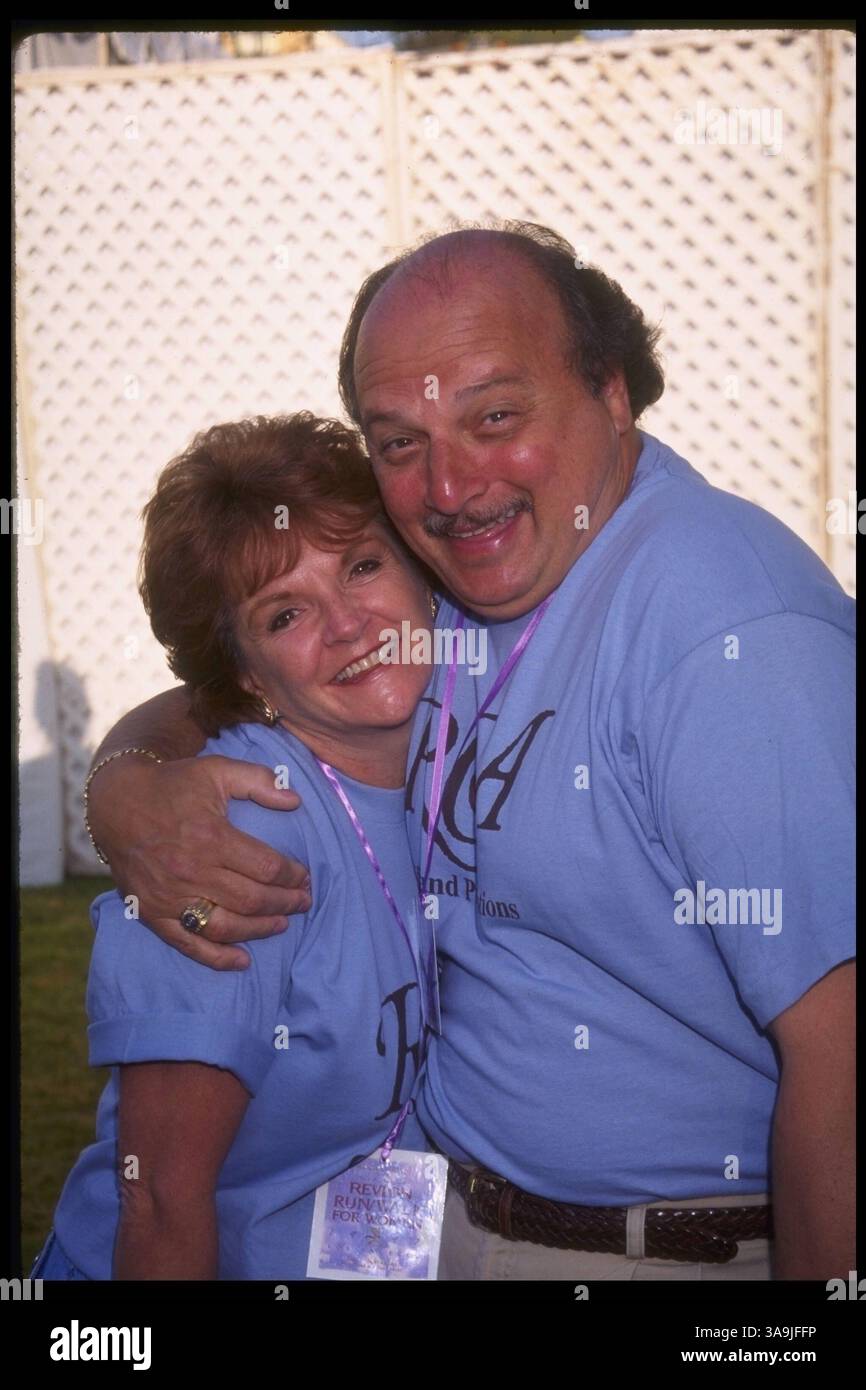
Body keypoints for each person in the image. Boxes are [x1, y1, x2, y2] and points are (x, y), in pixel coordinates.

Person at [85, 222, 855, 1281]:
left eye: (493, 415)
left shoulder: (722, 629)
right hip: (447, 1233)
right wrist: (123, 784)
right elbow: (235, 680)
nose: (448, 485)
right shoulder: (476, 585)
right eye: (400, 441)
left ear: (612, 389)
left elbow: (843, 1054)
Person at [31, 412, 438, 1281]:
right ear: (244, 671)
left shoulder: (457, 755)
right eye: (286, 612)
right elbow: (160, 1200)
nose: (349, 624)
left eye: (363, 566)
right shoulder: (230, 832)